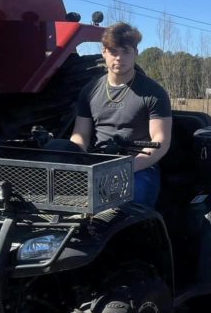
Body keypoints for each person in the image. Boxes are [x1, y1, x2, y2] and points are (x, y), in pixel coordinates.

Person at [70, 22, 172, 207]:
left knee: (127, 209)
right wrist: (76, 159)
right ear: (104, 52)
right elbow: (80, 135)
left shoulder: (153, 92)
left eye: (125, 51)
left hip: (139, 168)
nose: (119, 58)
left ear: (135, 53)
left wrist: (128, 167)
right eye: (113, 51)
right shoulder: (89, 91)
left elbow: (161, 140)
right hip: (98, 163)